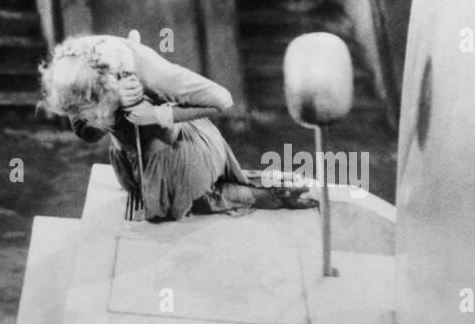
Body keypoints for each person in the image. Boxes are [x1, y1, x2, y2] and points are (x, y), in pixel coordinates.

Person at [40, 32, 314, 220]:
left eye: (90, 112)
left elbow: (222, 99)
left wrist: (156, 113)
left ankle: (264, 196)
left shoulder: (153, 72)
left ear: (103, 93)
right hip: (135, 150)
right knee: (134, 184)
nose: (87, 119)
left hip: (175, 152)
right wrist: (106, 113)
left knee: (179, 206)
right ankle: (262, 186)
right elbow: (84, 129)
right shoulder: (77, 60)